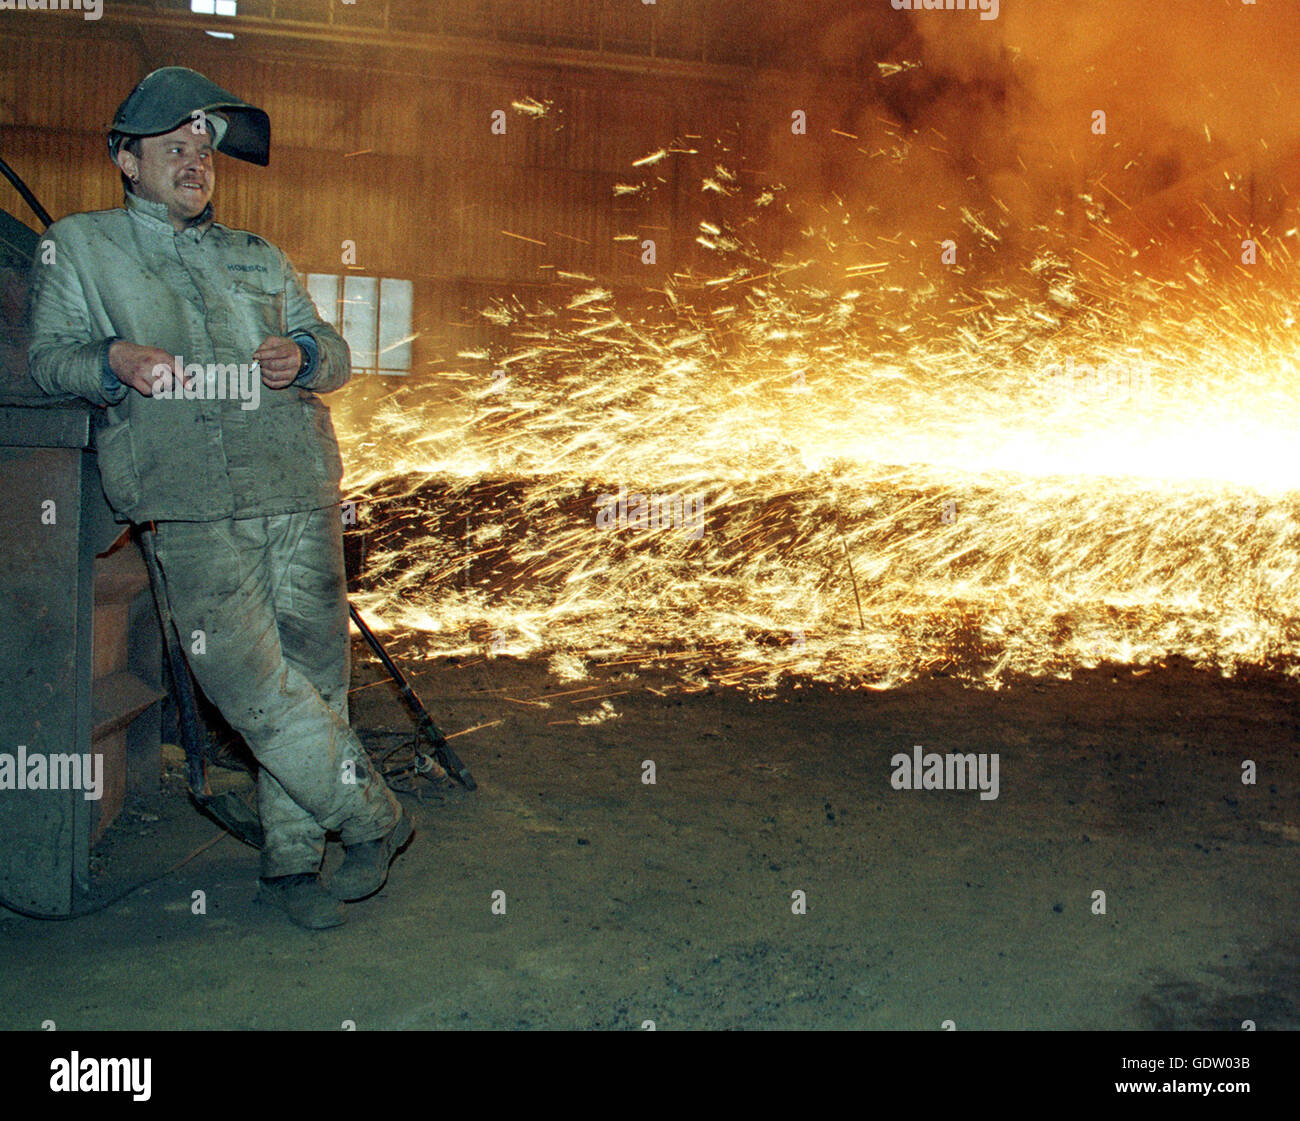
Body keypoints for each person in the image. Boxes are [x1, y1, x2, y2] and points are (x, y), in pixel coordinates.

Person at [26, 67, 412, 929]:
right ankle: (375, 817)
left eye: (205, 147)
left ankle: (290, 865)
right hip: (189, 503)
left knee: (314, 686)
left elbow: (335, 351)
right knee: (249, 687)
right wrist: (115, 359)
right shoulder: (83, 249)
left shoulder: (257, 255)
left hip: (297, 487)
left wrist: (304, 358)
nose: (196, 159)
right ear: (126, 159)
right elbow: (46, 359)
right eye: (174, 145)